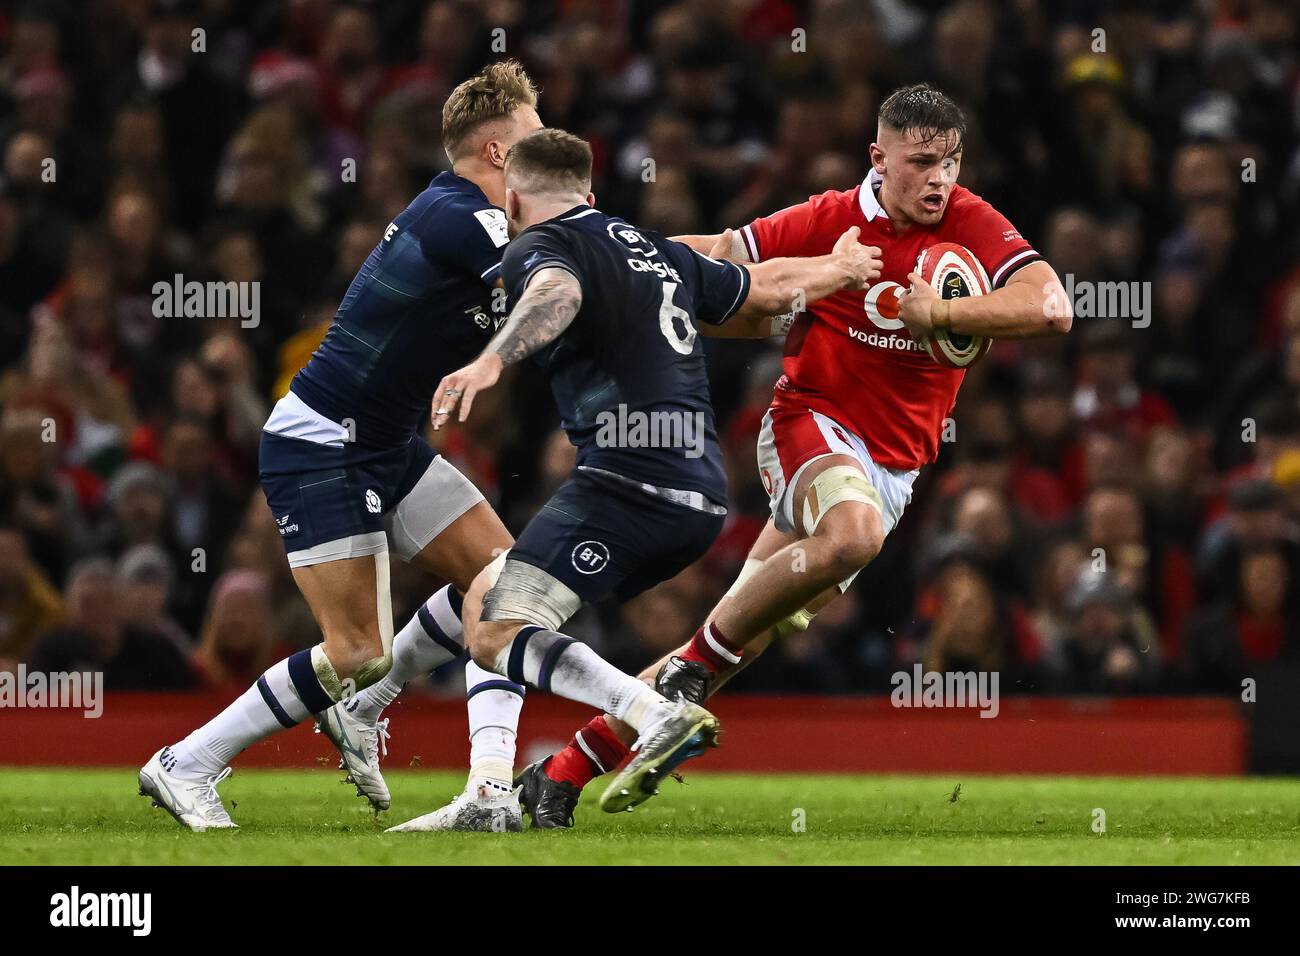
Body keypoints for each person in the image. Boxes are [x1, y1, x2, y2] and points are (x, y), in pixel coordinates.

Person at [508, 84, 1073, 828]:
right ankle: (681, 673)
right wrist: (616, 263)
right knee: (852, 537)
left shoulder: (971, 219)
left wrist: (942, 312)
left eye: (951, 162)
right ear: (881, 157)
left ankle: (560, 774)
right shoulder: (828, 220)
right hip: (811, 425)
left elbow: (1051, 307)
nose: (940, 179)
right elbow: (719, 257)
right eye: (923, 161)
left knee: (732, 641)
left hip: (893, 468)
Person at [385, 127, 883, 830]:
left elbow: (554, 294)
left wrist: (491, 361)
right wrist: (839, 266)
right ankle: (489, 795)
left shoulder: (540, 248)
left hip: (626, 483)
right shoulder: (655, 248)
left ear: (515, 199)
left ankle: (652, 714)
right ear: (591, 193)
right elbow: (767, 288)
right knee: (491, 595)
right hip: (699, 500)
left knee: (495, 629)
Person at [137, 61, 544, 831]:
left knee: (505, 582)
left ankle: (435, 757)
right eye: (531, 136)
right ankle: (186, 761)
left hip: (385, 442)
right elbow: (558, 281)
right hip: (321, 445)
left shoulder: (469, 215)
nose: (544, 150)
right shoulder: (464, 219)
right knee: (358, 651)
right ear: (497, 152)